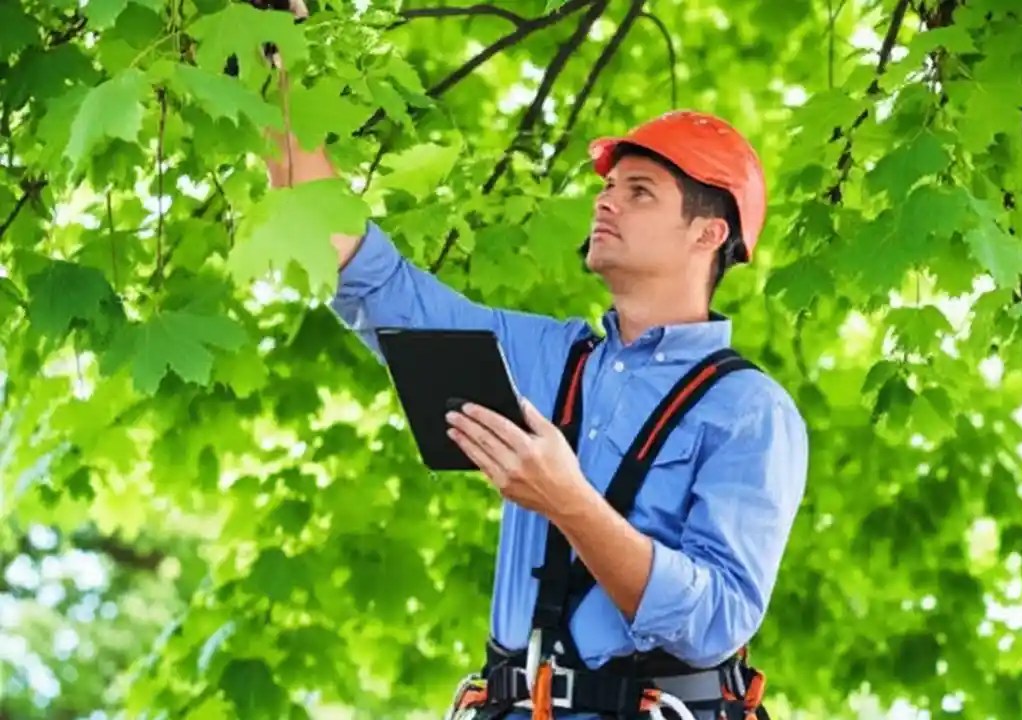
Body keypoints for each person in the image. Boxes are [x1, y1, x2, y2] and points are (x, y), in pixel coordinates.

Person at [258, 5, 808, 718]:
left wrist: (569, 503)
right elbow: (370, 276)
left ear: (709, 233)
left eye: (639, 192)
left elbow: (718, 621)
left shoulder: (750, 412)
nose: (606, 203)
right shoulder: (547, 357)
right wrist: (273, 62)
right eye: (608, 187)